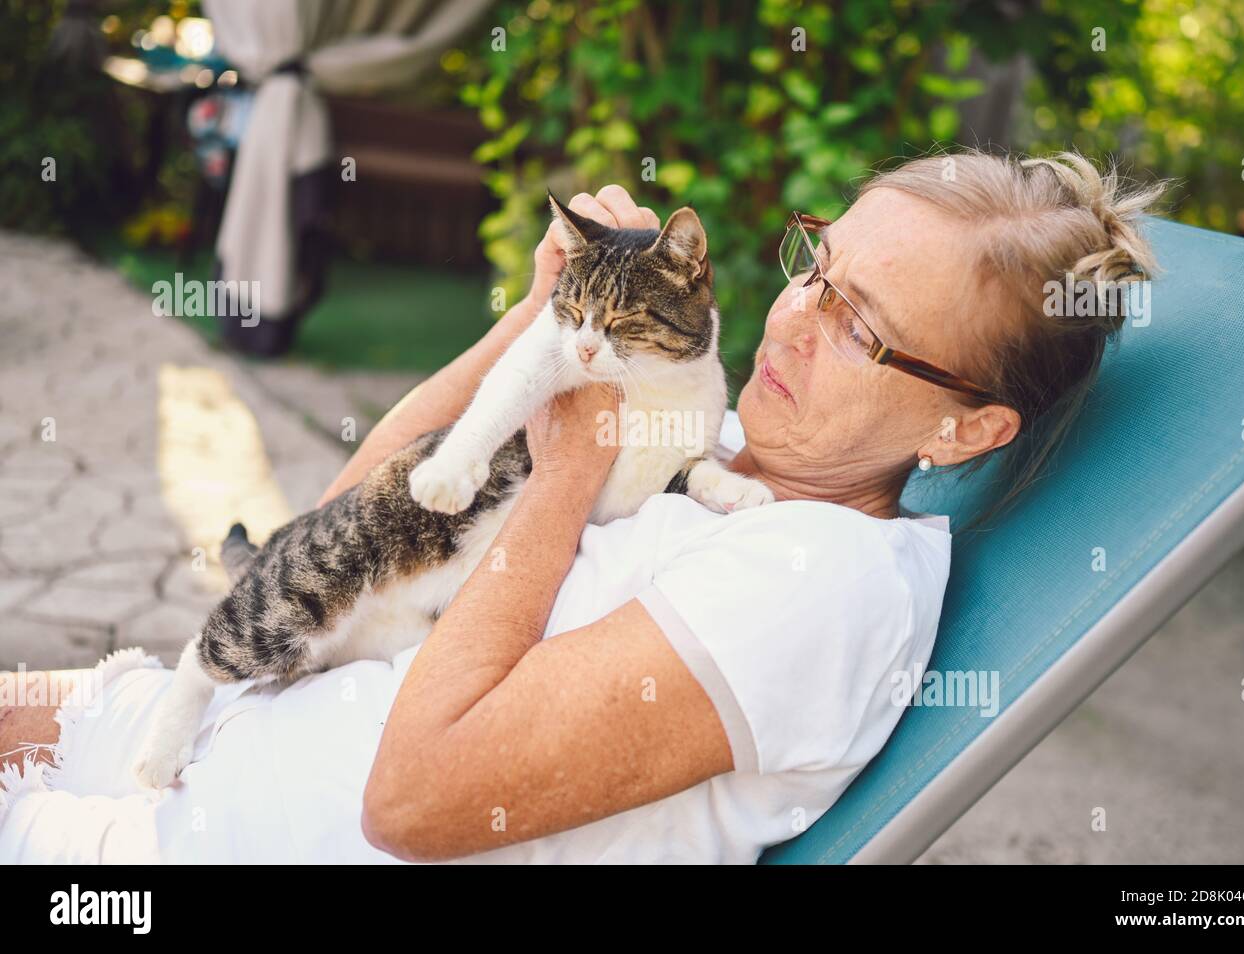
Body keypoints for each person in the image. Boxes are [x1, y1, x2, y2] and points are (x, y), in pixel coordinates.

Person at [0, 151, 1161, 863]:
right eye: (815, 264)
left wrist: (562, 477)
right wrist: (545, 322)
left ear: (964, 428)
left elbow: (410, 802)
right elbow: (337, 530)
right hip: (199, 717)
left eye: (861, 325)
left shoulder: (827, 581)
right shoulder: (705, 443)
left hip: (190, 850)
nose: (796, 315)